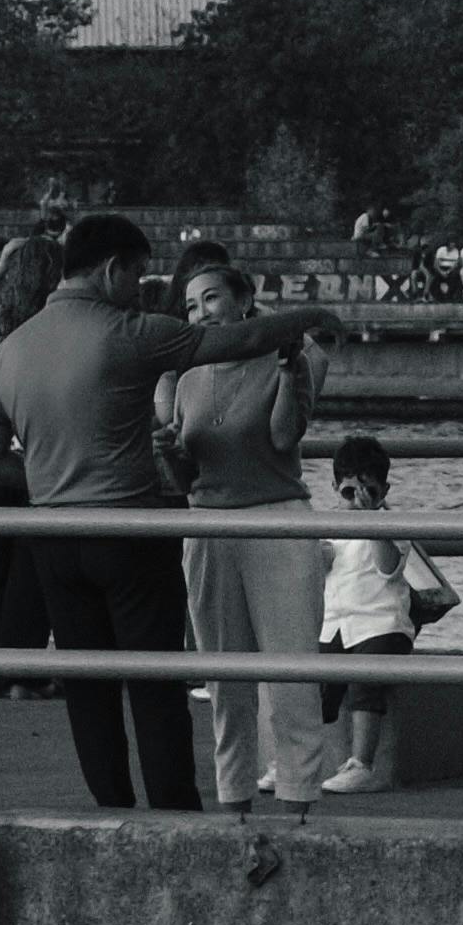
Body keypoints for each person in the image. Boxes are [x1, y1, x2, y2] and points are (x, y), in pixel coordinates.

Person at [0, 214, 210, 816]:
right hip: (127, 528)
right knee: (155, 685)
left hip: (54, 536)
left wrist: (48, 480)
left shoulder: (12, 349)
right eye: (137, 273)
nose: (140, 285)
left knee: (87, 685)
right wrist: (304, 323)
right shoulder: (129, 331)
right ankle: (176, 816)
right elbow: (228, 340)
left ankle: (112, 808)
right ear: (112, 269)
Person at [157, 238, 317, 813]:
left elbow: (281, 438)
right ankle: (236, 808)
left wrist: (283, 369)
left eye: (213, 299)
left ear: (245, 301)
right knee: (225, 678)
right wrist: (168, 450)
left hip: (277, 518)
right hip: (208, 524)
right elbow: (183, 477)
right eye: (192, 306)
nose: (202, 314)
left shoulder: (293, 356)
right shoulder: (184, 373)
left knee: (292, 672)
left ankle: (298, 803)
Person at [310, 435, 455, 799]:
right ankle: (302, 760)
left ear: (384, 490)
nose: (357, 501)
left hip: (381, 624)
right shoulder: (328, 524)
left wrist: (373, 521)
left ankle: (362, 764)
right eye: (348, 493)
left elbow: (389, 566)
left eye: (369, 491)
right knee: (313, 684)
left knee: (365, 680)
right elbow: (320, 566)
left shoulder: (393, 525)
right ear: (333, 487)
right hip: (336, 624)